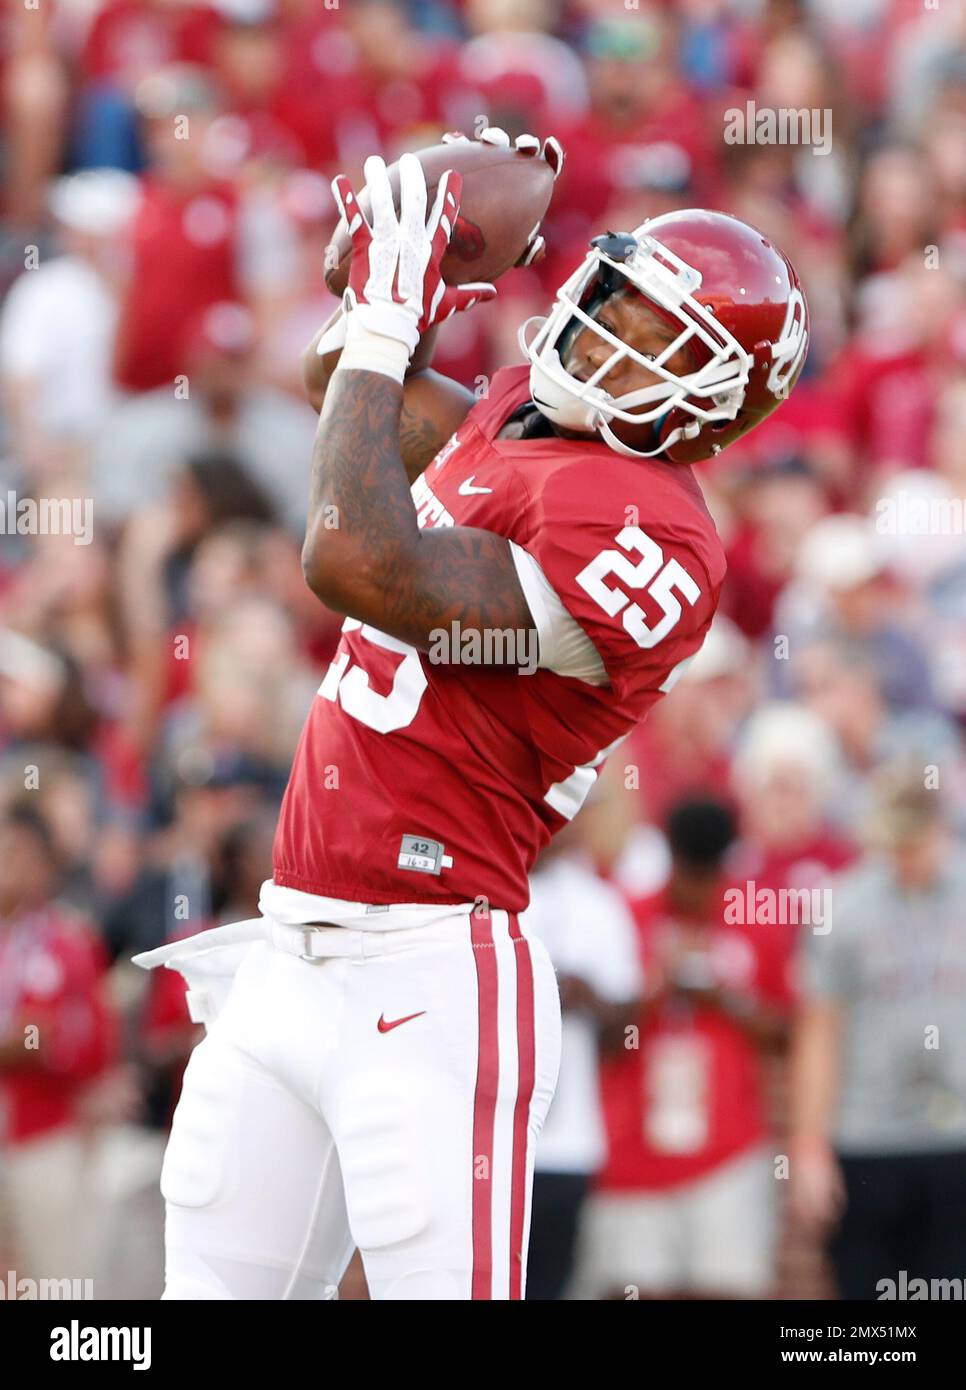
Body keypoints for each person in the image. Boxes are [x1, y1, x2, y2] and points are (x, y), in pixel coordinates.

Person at [133, 124, 809, 1300]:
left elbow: (353, 559)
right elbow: (345, 386)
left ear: (706, 406)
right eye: (615, 301)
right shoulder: (518, 415)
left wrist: (392, 319)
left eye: (656, 341)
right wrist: (398, 274)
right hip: (292, 943)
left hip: (430, 967)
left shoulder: (656, 533)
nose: (607, 338)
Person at [582, 798, 788, 1300]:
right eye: (690, 873)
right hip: (633, 1148)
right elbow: (602, 1038)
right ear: (669, 855)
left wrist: (723, 997)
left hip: (728, 1149)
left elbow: (784, 1032)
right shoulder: (624, 913)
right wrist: (656, 988)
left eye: (709, 874)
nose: (698, 889)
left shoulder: (754, 914)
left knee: (726, 1287)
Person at [791, 766, 966, 1300]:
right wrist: (809, 1147)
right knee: (870, 1320)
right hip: (867, 1137)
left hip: (956, 1138)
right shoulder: (846, 905)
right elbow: (820, 1032)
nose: (902, 856)